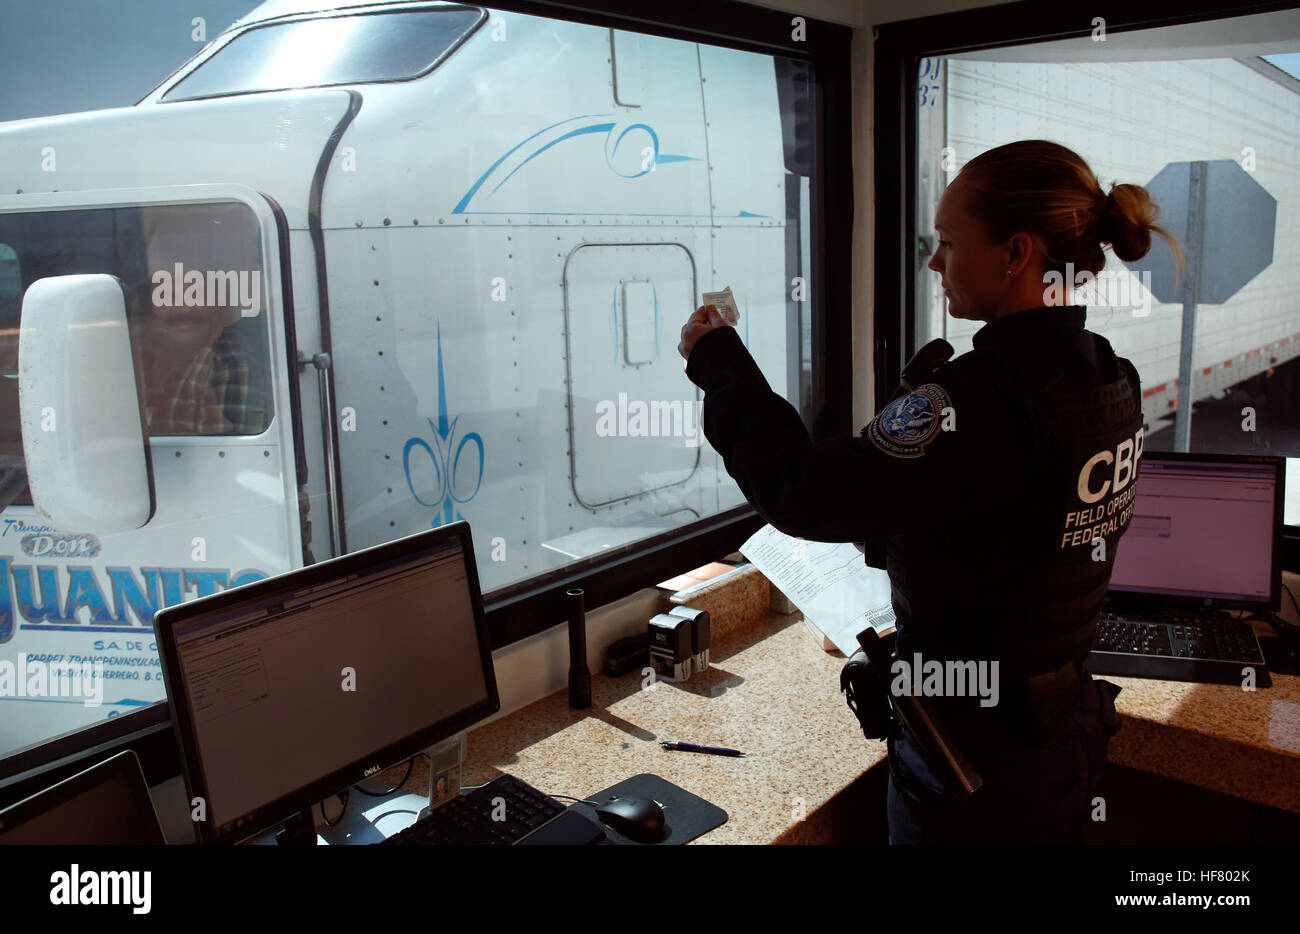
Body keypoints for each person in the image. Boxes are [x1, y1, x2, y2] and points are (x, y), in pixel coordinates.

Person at [679, 139, 1184, 844]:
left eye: (948, 242)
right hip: (1057, 746)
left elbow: (799, 489)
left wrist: (719, 362)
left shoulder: (978, 402)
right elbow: (995, 529)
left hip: (971, 768)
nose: (934, 262)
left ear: (1016, 253)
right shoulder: (1109, 379)